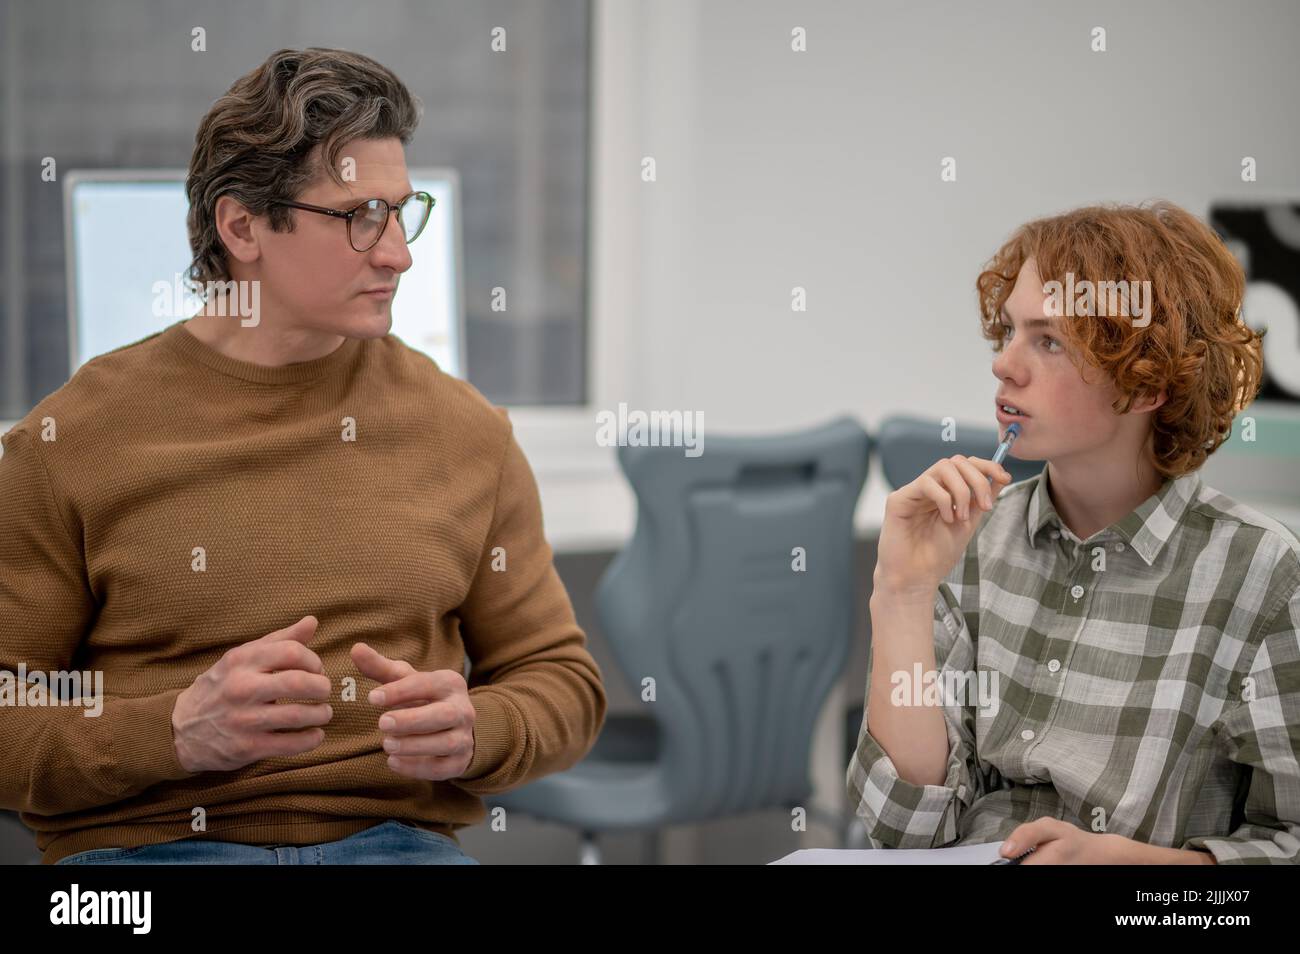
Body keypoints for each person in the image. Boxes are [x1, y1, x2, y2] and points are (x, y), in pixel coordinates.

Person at [0, 47, 607, 865]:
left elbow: (562, 680)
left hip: (394, 845)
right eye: (360, 216)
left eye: (402, 211)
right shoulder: (70, 440)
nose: (398, 253)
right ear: (241, 225)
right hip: (150, 851)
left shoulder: (466, 433)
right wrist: (174, 730)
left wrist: (481, 730)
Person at [847, 201, 1300, 863]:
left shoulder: (1264, 576)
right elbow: (905, 828)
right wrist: (901, 591)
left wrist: (1137, 866)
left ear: (1147, 383)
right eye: (1009, 332)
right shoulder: (966, 545)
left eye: (1049, 340)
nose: (1005, 364)